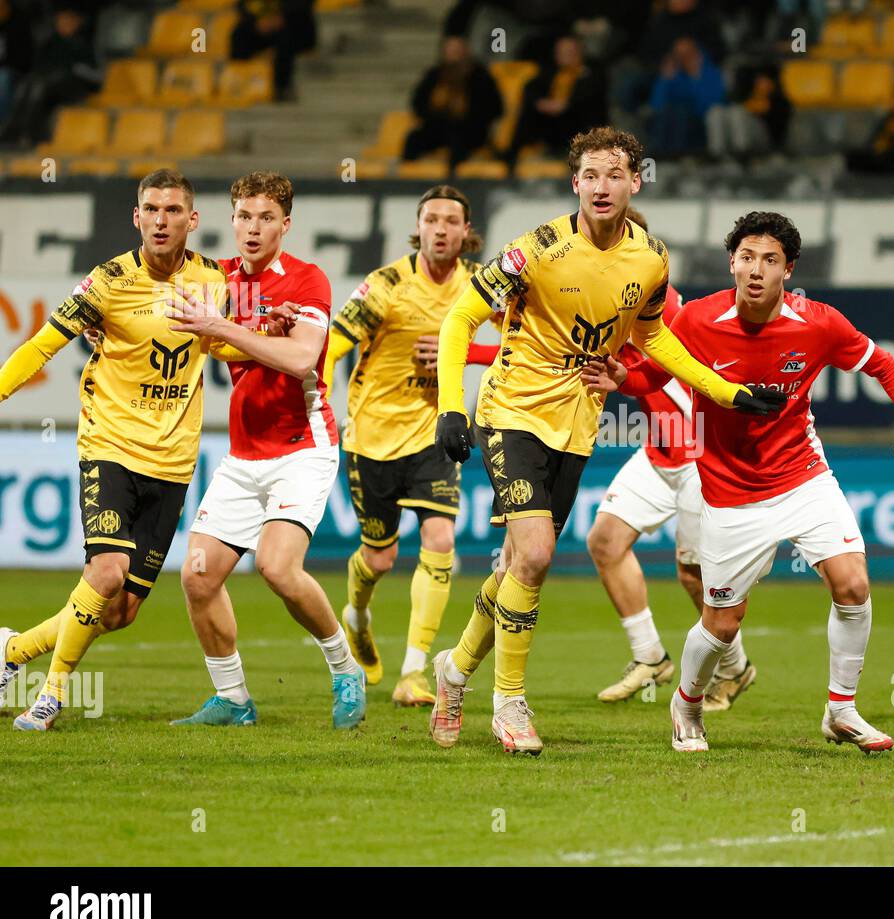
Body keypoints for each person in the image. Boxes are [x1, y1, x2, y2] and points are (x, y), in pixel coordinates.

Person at [429, 126, 784, 755]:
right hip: (512, 409)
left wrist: (726, 391)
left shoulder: (650, 257)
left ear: (635, 181)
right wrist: (451, 407)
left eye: (614, 175)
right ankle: (508, 705)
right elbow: (461, 316)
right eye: (590, 175)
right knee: (535, 555)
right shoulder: (535, 249)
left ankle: (453, 672)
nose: (601, 186)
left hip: (577, 422)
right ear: (575, 183)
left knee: (516, 565)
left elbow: (656, 340)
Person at [610, 211, 894, 753]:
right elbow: (655, 375)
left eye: (769, 260)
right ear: (732, 262)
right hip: (728, 493)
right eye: (746, 257)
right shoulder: (698, 319)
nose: (755, 269)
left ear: (788, 270)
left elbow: (887, 366)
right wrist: (623, 379)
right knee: (722, 622)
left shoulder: (817, 323)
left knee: (854, 586)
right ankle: (687, 702)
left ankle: (841, 710)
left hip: (803, 477)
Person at [0, 169, 231, 730]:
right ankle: (49, 697)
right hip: (110, 446)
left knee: (121, 611)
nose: (160, 219)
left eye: (173, 210)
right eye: (150, 209)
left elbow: (230, 343)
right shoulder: (107, 282)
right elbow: (42, 344)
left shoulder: (215, 281)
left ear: (192, 220)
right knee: (105, 573)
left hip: (173, 465)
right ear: (136, 217)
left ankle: (12, 653)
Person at [169, 171, 366, 730]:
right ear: (230, 220)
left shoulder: (307, 280)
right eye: (243, 216)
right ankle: (233, 699)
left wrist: (226, 328)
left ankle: (344, 668)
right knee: (198, 575)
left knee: (278, 568)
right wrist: (103, 332)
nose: (252, 229)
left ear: (286, 224)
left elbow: (303, 359)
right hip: (243, 454)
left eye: (265, 218)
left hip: (303, 445)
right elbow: (161, 320)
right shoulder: (217, 279)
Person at [324, 185, 498, 706]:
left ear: (467, 233)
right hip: (373, 436)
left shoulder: (480, 287)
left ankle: (413, 673)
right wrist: (319, 398)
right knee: (378, 559)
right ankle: (356, 616)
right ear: (418, 227)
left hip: (436, 434)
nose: (441, 229)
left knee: (441, 542)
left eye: (452, 221)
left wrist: (466, 354)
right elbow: (334, 343)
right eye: (431, 219)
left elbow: (518, 345)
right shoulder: (387, 285)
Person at [581, 210, 756, 712]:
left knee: (694, 577)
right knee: (605, 542)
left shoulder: (662, 301)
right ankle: (650, 658)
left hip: (700, 455)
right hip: (658, 450)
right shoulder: (602, 299)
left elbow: (649, 371)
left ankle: (735, 668)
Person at [0, 3, 99, 147]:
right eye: (61, 20)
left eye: (68, 20)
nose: (64, 24)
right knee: (26, 86)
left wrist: (74, 70)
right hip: (48, 84)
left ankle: (29, 133)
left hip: (74, 87)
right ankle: (11, 131)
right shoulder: (51, 42)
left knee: (39, 87)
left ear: (77, 22)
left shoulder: (82, 44)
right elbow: (37, 66)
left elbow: (95, 74)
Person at [507, 35, 606, 168]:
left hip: (579, 120)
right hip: (551, 122)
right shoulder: (550, 71)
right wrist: (541, 103)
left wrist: (567, 104)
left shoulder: (593, 70)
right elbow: (530, 88)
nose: (566, 56)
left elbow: (592, 93)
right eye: (562, 53)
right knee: (528, 110)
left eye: (570, 52)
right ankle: (511, 157)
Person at [403, 35, 502, 167]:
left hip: (470, 129)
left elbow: (496, 107)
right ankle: (409, 177)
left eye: (457, 50)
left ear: (465, 51)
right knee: (414, 138)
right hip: (438, 127)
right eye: (450, 50)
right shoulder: (435, 74)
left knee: (459, 140)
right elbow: (418, 103)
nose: (453, 54)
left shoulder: (480, 75)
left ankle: (455, 180)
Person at [648, 37, 725, 157]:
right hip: (677, 122)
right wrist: (665, 79)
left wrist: (696, 76)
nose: (684, 59)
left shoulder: (711, 73)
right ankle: (663, 156)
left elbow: (715, 103)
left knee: (681, 112)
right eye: (679, 56)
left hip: (706, 119)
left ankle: (676, 155)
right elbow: (656, 105)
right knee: (671, 111)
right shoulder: (675, 76)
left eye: (688, 54)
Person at [230, 0, 317, 101]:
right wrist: (256, 21)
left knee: (286, 40)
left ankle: (281, 87)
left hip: (294, 27)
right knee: (239, 34)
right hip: (262, 26)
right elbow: (241, 5)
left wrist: (282, 17)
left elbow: (304, 6)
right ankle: (239, 81)